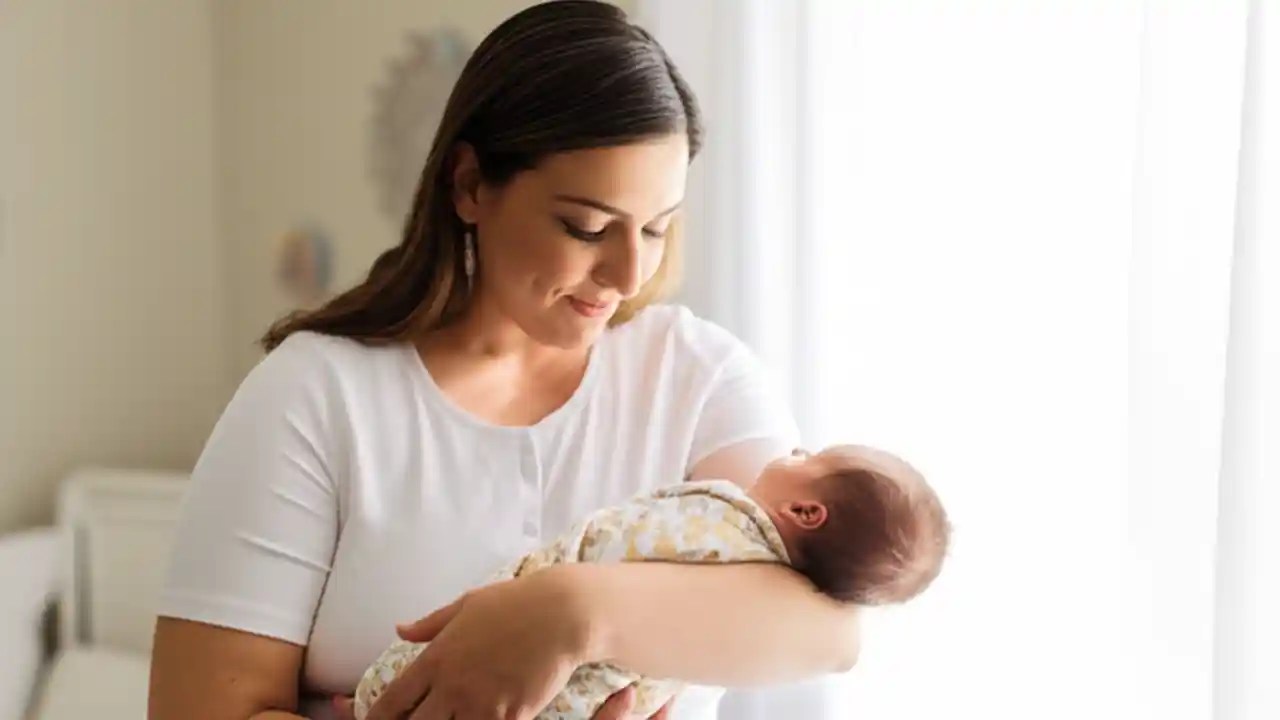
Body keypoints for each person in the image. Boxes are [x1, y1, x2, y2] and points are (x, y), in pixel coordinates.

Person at [147, 2, 862, 719]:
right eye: (586, 227)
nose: (627, 274)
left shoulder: (697, 378)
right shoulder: (314, 396)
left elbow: (826, 631)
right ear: (469, 185)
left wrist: (570, 613)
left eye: (655, 229)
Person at [353, 445, 950, 720]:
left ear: (805, 512)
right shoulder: (747, 591)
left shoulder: (721, 525)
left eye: (808, 456)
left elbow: (840, 643)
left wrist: (568, 604)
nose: (792, 449)